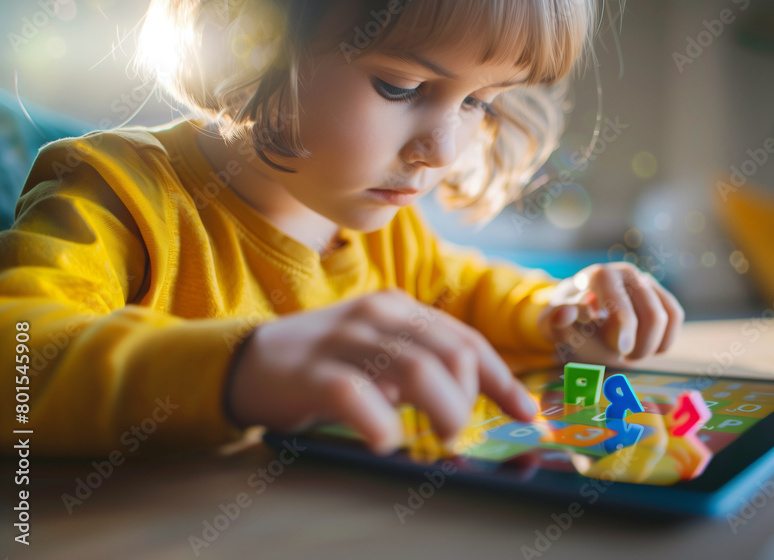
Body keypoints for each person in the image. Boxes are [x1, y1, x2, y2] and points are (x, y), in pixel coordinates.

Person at [0, 0, 683, 458]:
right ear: (246, 38)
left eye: (480, 101)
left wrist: (556, 311)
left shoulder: (388, 231)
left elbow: (464, 292)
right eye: (400, 86)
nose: (444, 150)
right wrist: (240, 367)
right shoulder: (121, 193)